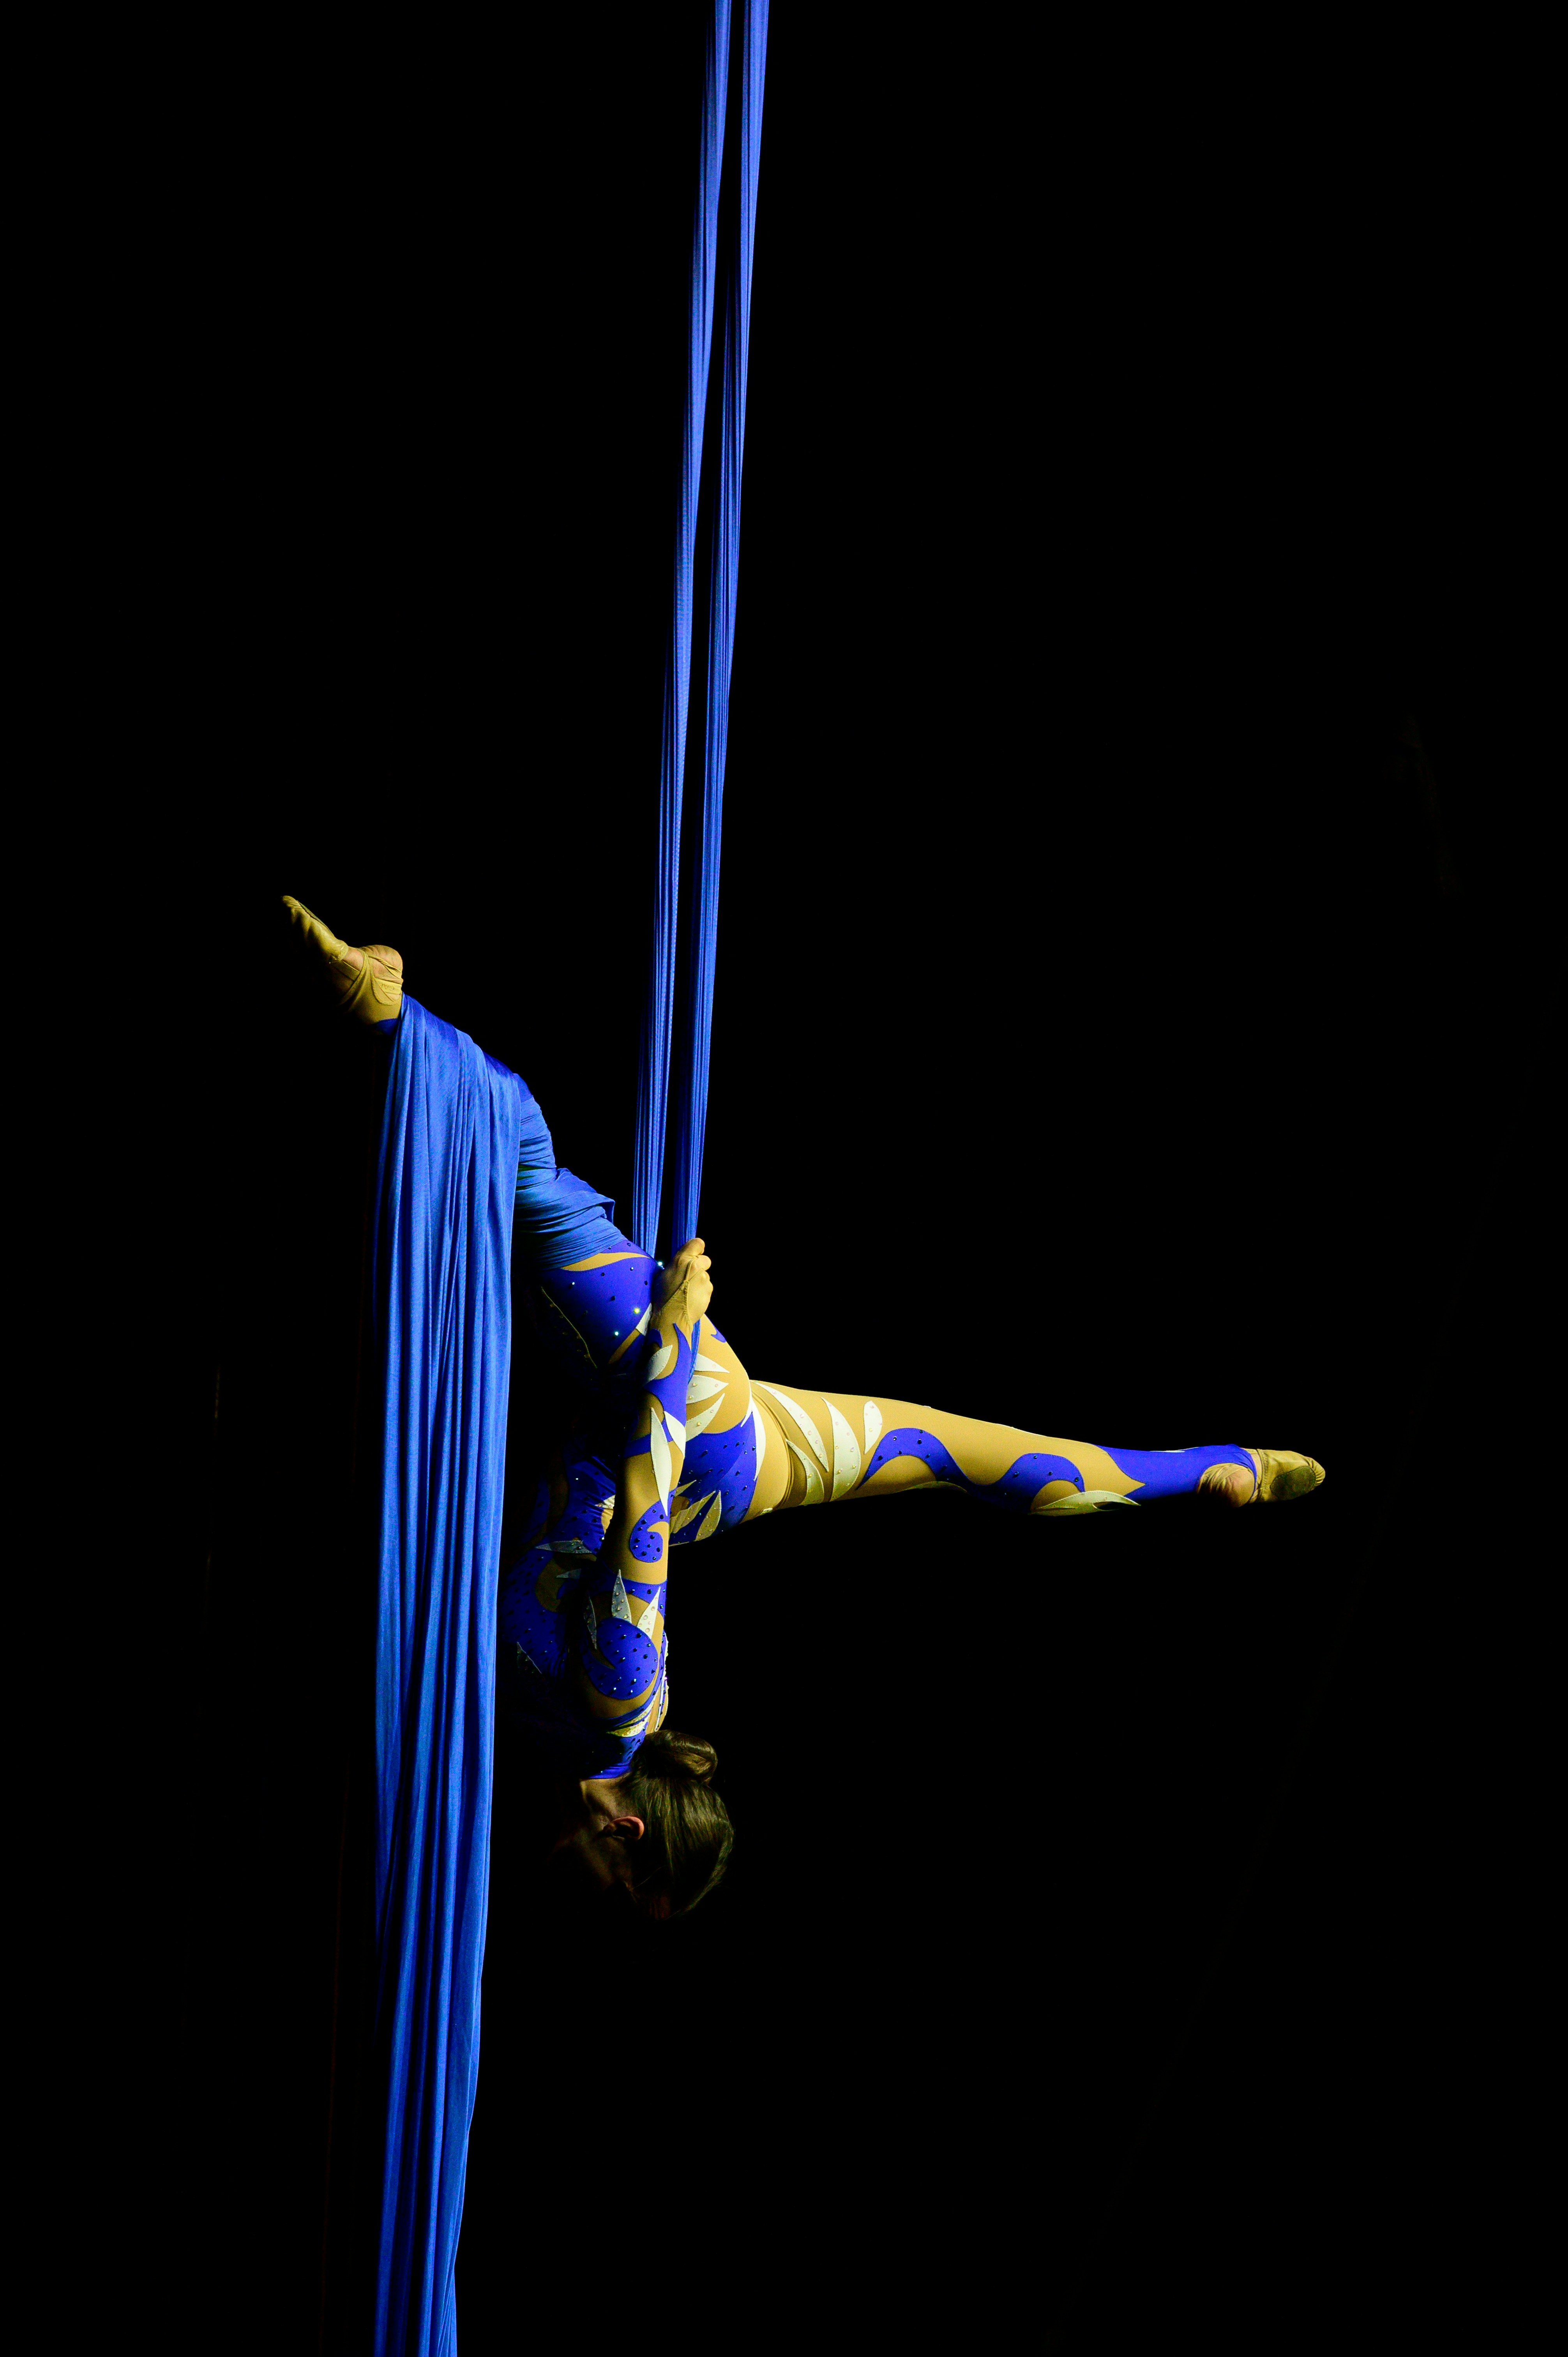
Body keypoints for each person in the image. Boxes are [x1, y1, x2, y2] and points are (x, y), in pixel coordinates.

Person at [283, 897, 1326, 1924]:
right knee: (523, 1164)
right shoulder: (615, 1696)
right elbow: (645, 1494)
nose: (586, 1888)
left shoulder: (576, 1747)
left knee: (964, 1457)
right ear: (632, 1835)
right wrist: (683, 1325)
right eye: (619, 1893)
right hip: (677, 1412)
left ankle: (1210, 1470)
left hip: (701, 1458)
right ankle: (385, 1010)